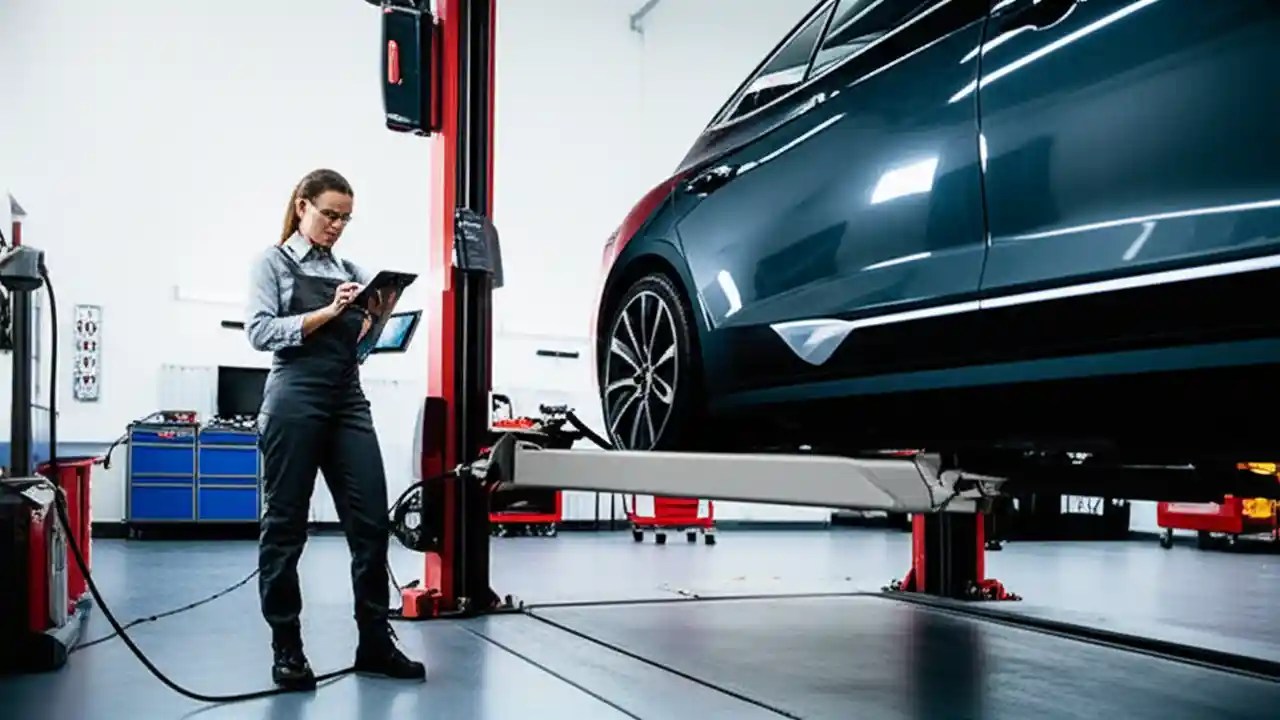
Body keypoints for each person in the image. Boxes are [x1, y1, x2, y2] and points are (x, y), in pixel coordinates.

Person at [244, 168, 425, 689]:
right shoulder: (272, 263)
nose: (337, 226)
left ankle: (374, 644)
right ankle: (287, 649)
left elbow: (360, 348)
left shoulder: (351, 270)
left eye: (345, 219)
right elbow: (259, 331)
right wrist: (329, 311)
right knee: (285, 527)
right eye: (329, 214)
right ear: (302, 206)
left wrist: (373, 321)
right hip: (294, 396)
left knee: (370, 525)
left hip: (348, 398)